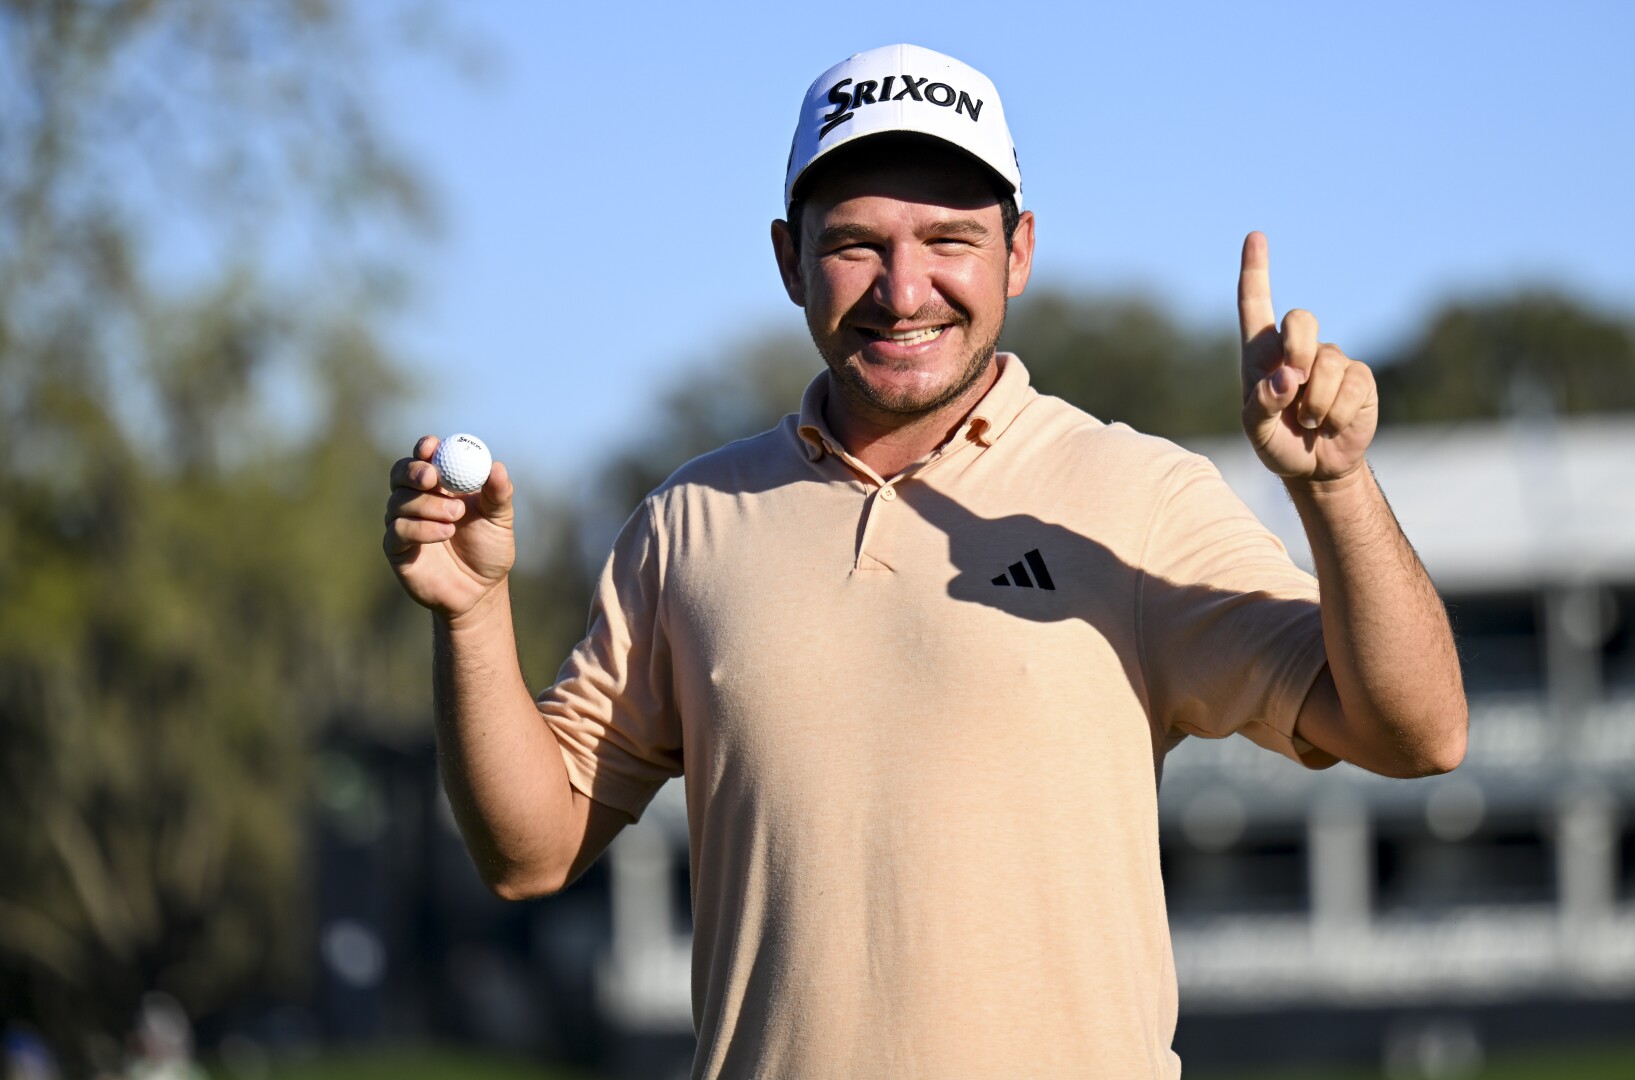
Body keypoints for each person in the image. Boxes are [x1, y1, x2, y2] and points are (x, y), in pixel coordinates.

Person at [382, 43, 1467, 1080]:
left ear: (1020, 252)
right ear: (787, 258)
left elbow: (1417, 733)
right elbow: (528, 853)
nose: (905, 291)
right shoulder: (690, 521)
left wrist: (1334, 490)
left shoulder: (1137, 496)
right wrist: (473, 614)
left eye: (950, 239)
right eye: (857, 243)